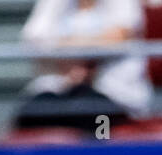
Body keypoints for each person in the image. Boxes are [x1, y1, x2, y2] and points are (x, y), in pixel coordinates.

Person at [15, 0, 150, 134]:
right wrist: (87, 47)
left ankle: (100, 152)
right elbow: (34, 39)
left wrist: (63, 47)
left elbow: (118, 37)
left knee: (97, 125)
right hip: (60, 92)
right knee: (32, 113)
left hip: (111, 97)